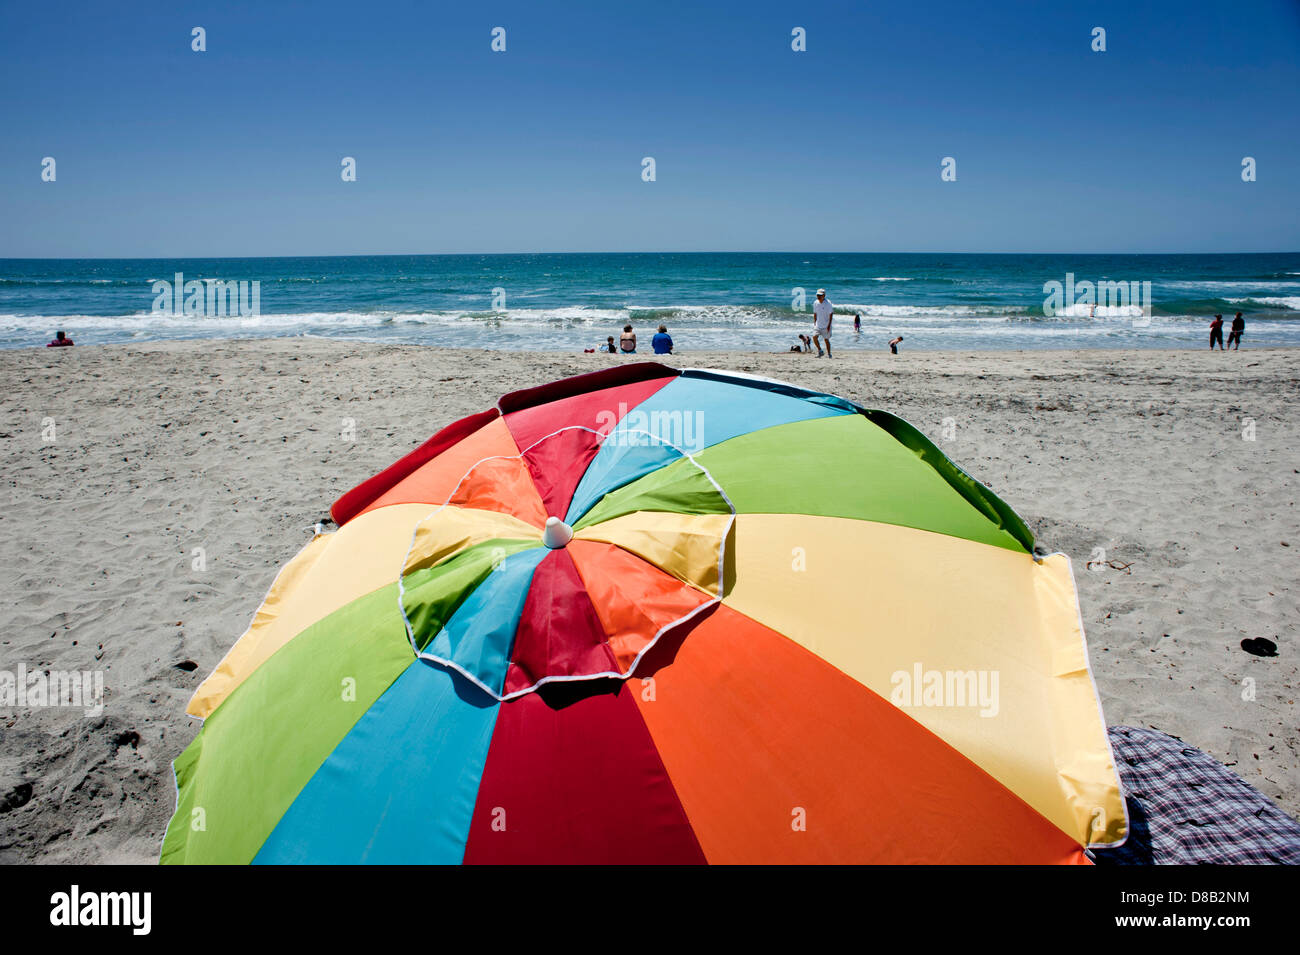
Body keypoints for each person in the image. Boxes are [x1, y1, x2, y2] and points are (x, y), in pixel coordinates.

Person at [812, 289, 833, 358]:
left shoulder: (828, 303)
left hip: (826, 325)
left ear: (824, 295)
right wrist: (814, 323)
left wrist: (829, 325)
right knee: (814, 337)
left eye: (820, 295)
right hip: (818, 324)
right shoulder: (815, 302)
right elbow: (815, 313)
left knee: (826, 340)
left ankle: (829, 353)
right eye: (817, 295)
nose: (818, 296)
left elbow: (831, 314)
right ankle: (820, 350)